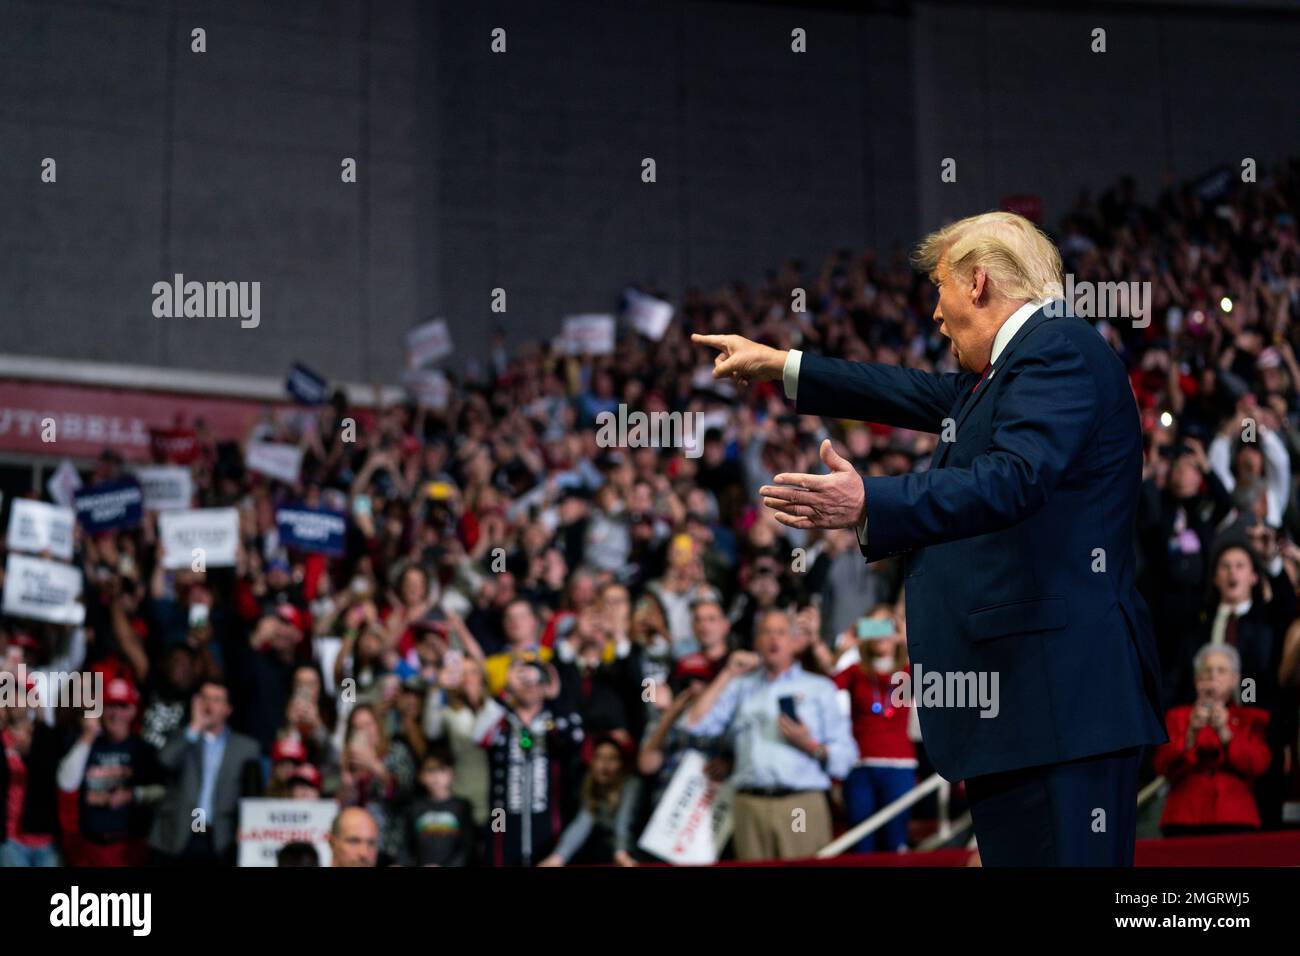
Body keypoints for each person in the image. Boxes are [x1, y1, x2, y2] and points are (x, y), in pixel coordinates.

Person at [694, 210, 1166, 865]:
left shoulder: (1057, 349)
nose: (936, 316)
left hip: (1058, 705)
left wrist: (870, 500)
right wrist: (784, 366)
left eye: (940, 289)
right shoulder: (1012, 370)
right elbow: (919, 393)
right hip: (1031, 707)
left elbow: (1015, 478)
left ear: (978, 283)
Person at [685, 608, 857, 861]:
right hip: (749, 804)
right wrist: (728, 673)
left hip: (801, 804)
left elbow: (846, 758)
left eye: (781, 632)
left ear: (793, 641)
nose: (773, 639)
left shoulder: (819, 688)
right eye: (766, 632)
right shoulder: (740, 686)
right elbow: (695, 724)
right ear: (756, 642)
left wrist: (809, 745)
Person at [1154, 645, 1271, 835]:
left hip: (1235, 815)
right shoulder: (1177, 717)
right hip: (1184, 816)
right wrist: (1191, 732)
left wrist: (1226, 732)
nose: (1213, 676)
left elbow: (1258, 765)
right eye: (1207, 670)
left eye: (1221, 670)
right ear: (1196, 678)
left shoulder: (1250, 718)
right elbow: (1162, 766)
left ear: (1235, 679)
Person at [148, 679, 263, 866]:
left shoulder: (246, 748)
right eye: (205, 698)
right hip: (181, 833)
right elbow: (164, 762)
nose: (209, 704)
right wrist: (195, 727)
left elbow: (252, 795)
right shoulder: (184, 736)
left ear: (228, 709)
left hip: (220, 837)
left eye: (216, 699)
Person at [57, 678, 162, 866]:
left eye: (123, 706)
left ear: (133, 710)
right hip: (88, 849)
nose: (116, 713)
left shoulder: (144, 749)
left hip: (128, 850)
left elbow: (164, 791)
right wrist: (88, 735)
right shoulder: (87, 743)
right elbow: (66, 783)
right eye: (110, 706)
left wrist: (133, 795)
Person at [539, 732, 640, 867]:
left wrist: (621, 852)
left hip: (635, 853)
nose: (604, 765)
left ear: (623, 763)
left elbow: (624, 822)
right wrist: (558, 857)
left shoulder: (632, 784)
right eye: (599, 757)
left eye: (612, 758)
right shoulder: (593, 786)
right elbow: (582, 822)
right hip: (611, 855)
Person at [401, 747, 475, 867]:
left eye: (441, 770)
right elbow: (406, 846)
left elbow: (466, 849)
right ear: (421, 776)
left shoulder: (462, 807)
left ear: (451, 773)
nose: (436, 776)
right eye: (430, 770)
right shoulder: (414, 807)